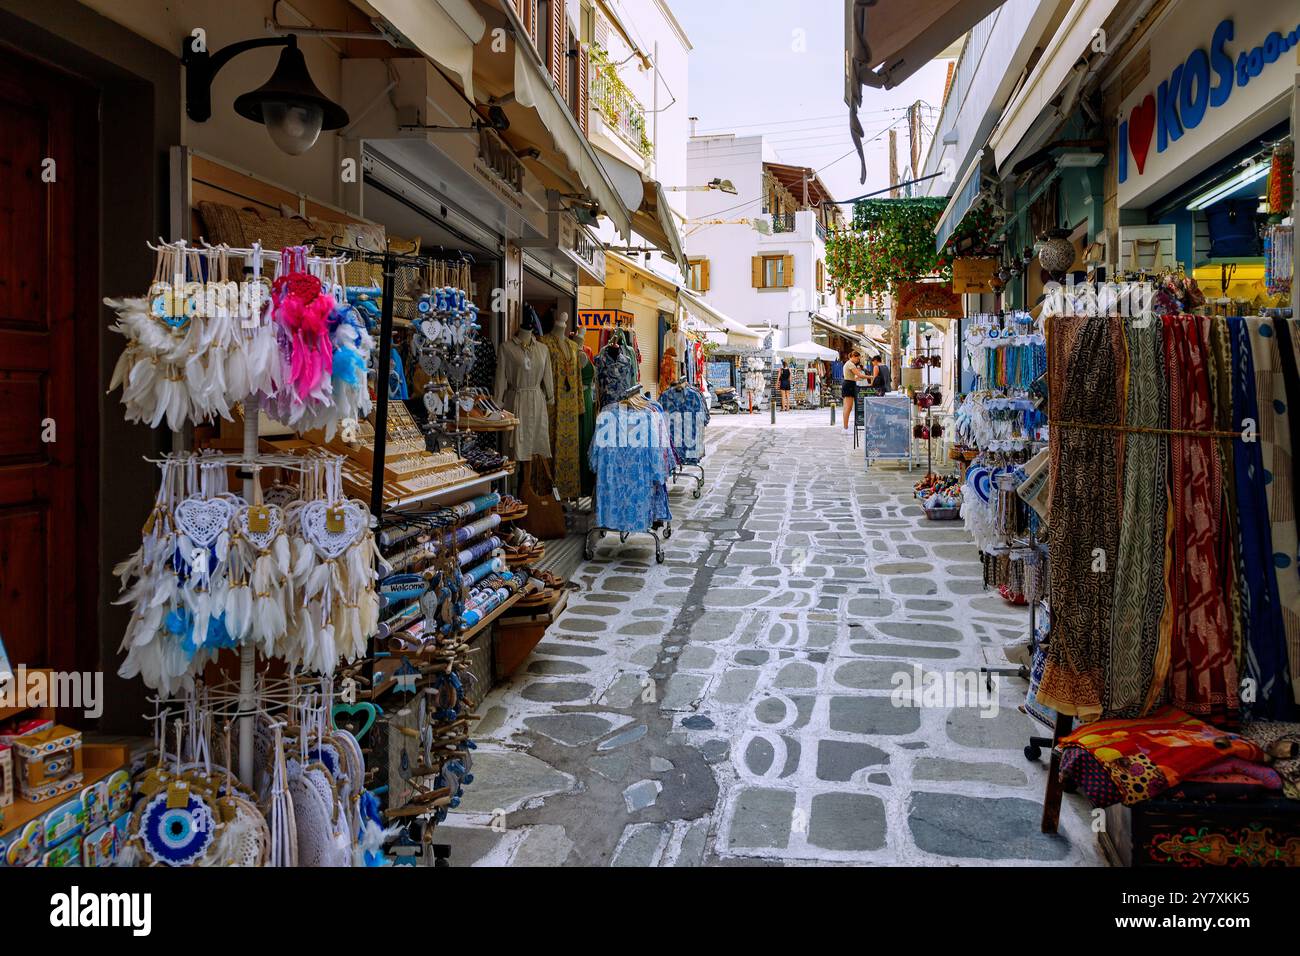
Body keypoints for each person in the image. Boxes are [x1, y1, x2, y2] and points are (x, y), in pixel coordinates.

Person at [841, 349, 865, 433]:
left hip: (848, 383)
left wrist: (856, 378)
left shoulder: (847, 364)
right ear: (853, 357)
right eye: (857, 359)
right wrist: (871, 377)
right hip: (849, 385)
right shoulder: (851, 364)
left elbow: (853, 377)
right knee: (848, 407)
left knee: (846, 407)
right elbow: (859, 375)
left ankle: (845, 427)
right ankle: (845, 428)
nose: (858, 361)